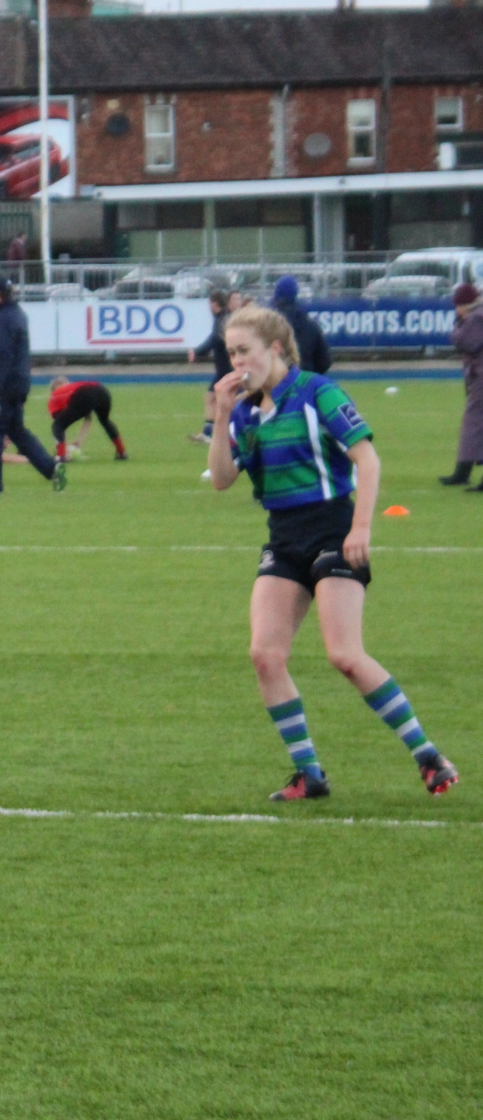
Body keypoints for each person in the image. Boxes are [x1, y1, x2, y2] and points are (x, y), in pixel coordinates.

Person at [208, 305, 457, 802]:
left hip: (333, 530)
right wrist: (219, 416)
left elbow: (367, 458)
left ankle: (428, 755)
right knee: (265, 655)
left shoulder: (318, 392)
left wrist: (361, 526)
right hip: (284, 537)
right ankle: (309, 775)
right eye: (230, 352)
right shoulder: (243, 412)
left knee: (344, 655)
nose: (236, 361)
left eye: (244, 350)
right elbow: (220, 479)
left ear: (275, 348)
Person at [0, 278, 60, 493]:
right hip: (20, 382)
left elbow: (4, 354)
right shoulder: (17, 314)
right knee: (17, 431)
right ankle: (51, 468)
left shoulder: (4, 319)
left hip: (6, 384)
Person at [439, 282, 483, 490]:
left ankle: (463, 471)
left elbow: (464, 341)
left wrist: (459, 324)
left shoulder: (476, 317)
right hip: (477, 376)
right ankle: (463, 470)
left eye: (458, 305)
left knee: (474, 422)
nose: (457, 309)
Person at [190, 288, 242, 443]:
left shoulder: (223, 319)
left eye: (210, 304)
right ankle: (208, 433)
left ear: (214, 304)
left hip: (227, 368)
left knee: (228, 400)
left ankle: (231, 432)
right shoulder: (222, 318)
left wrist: (198, 352)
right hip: (223, 368)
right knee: (211, 397)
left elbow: (216, 340)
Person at [47, 375, 127, 463]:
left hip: (84, 394)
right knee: (105, 421)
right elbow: (88, 418)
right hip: (102, 390)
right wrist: (78, 441)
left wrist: (62, 450)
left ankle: (61, 456)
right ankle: (121, 452)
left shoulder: (54, 396)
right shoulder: (72, 388)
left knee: (57, 426)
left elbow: (59, 424)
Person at [270, 275, 331, 374]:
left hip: (277, 382)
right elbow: (324, 362)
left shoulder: (268, 325)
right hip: (305, 380)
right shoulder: (310, 325)